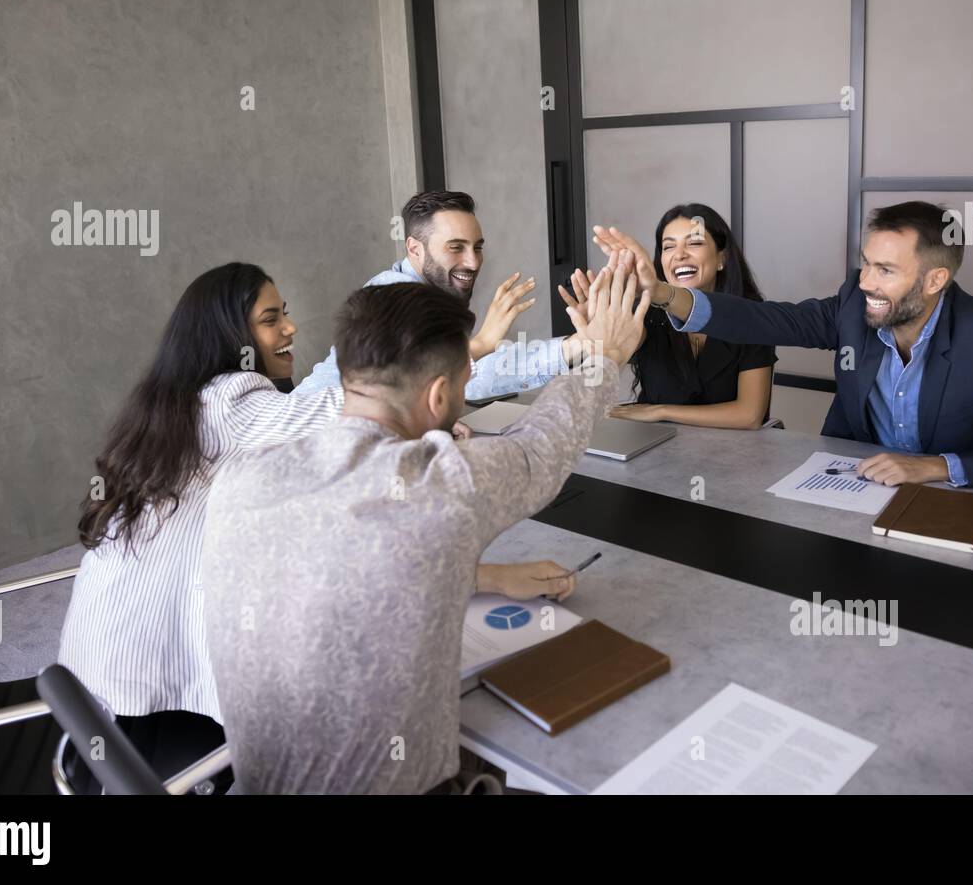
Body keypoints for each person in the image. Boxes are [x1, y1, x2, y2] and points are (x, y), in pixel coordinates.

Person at [200, 262, 649, 794]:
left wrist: (486, 577)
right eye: (464, 383)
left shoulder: (240, 477)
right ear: (439, 397)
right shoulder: (434, 485)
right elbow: (540, 448)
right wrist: (606, 355)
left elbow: (345, 563)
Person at [593, 200, 973, 487]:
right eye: (866, 263)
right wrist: (662, 294)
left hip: (943, 501)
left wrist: (932, 468)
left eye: (885, 271)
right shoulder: (853, 305)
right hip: (849, 487)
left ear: (935, 280)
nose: (865, 281)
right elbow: (767, 320)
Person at [59, 263, 342, 738]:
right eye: (271, 319)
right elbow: (344, 412)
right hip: (144, 701)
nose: (290, 327)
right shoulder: (232, 398)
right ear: (232, 336)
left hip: (93, 669)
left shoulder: (174, 400)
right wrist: (464, 354)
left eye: (285, 314)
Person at [295, 189, 588, 400]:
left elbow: (472, 372)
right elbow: (420, 373)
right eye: (455, 247)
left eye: (477, 247)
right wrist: (484, 341)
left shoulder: (432, 295)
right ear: (414, 248)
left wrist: (578, 344)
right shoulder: (390, 298)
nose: (473, 262)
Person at [601, 203, 776, 430]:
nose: (680, 255)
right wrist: (595, 333)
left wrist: (660, 411)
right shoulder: (646, 312)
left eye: (694, 243)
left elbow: (749, 415)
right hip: (654, 450)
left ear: (721, 258)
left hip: (733, 454)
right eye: (668, 247)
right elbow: (595, 378)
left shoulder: (751, 314)